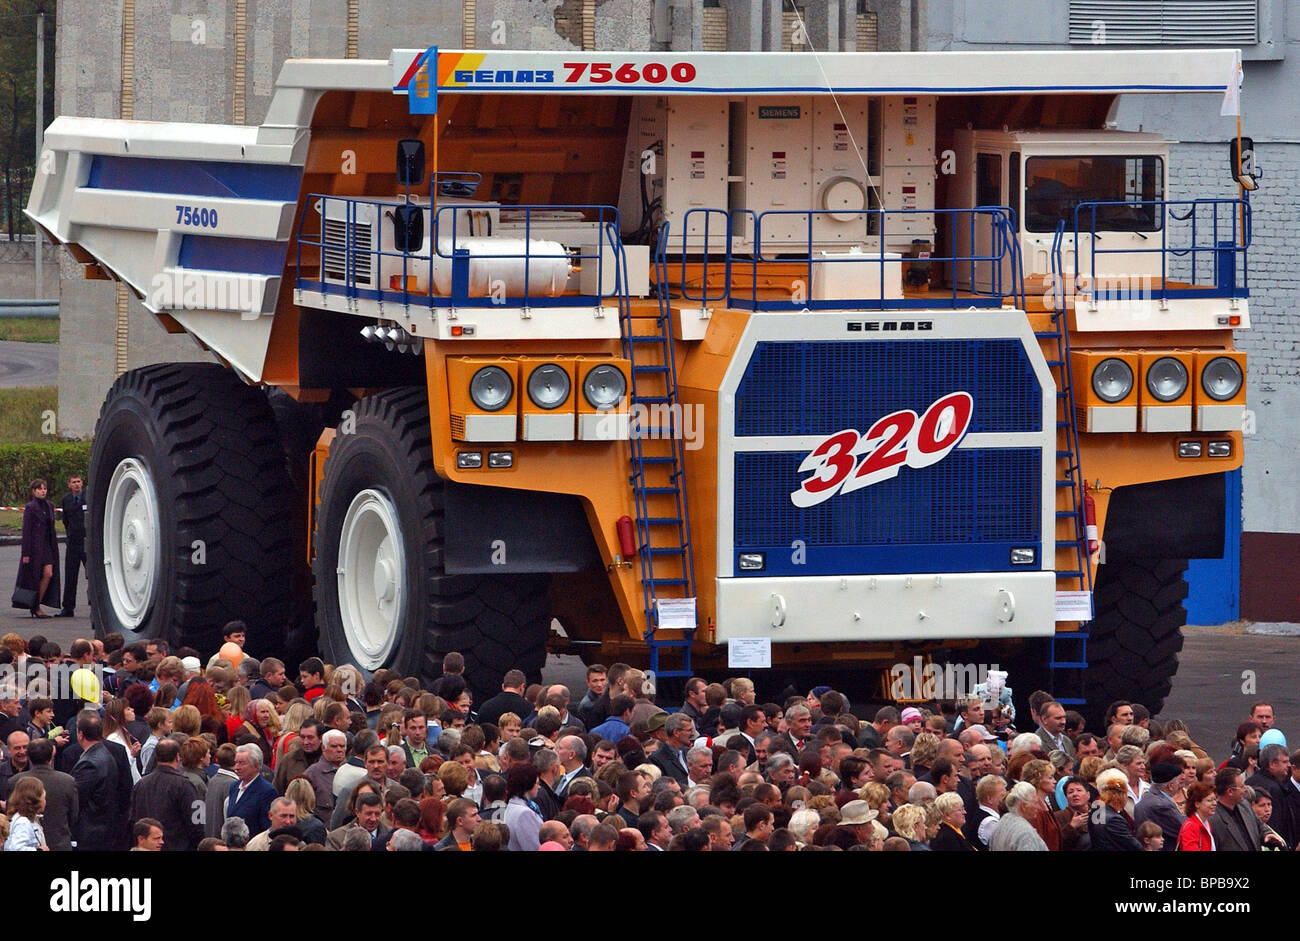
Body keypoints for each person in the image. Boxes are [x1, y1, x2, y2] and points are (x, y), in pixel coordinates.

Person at [129, 738, 204, 852]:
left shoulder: (141, 784)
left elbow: (132, 819)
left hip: (146, 847)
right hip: (178, 846)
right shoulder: (185, 785)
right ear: (178, 757)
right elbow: (198, 822)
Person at [72, 712, 129, 851]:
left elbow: (76, 799)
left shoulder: (88, 763)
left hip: (93, 832)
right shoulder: (104, 753)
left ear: (80, 734)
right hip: (105, 828)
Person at [10, 737, 76, 851]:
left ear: (29, 756)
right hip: (58, 844)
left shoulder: (15, 781)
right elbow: (73, 816)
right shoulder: (67, 781)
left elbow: (10, 814)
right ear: (52, 755)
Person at [16, 479, 61, 617]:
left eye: (44, 489)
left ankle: (37, 603)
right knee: (34, 577)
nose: (43, 491)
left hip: (48, 546)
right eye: (40, 489)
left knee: (48, 574)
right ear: (34, 491)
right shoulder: (31, 507)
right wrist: (26, 553)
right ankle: (35, 607)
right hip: (35, 548)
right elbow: (27, 531)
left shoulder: (49, 505)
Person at [225, 744, 277, 837]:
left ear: (256, 765)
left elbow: (266, 828)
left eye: (242, 763)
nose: (237, 767)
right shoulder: (234, 786)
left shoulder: (267, 791)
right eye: (236, 762)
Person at [58, 474, 86, 617]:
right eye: (74, 482)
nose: (77, 484)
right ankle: (68, 607)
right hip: (73, 542)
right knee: (70, 576)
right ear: (69, 484)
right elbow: (65, 521)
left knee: (92, 576)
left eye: (79, 482)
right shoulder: (66, 500)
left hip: (87, 541)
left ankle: (95, 605)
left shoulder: (88, 496)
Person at [3, 777, 48, 850]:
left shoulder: (25, 820)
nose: (45, 801)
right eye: (43, 798)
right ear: (35, 800)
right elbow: (16, 848)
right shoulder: (23, 822)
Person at [1178, 781, 1216, 851]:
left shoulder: (1206, 824)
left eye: (1214, 799)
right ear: (1197, 804)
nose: (1215, 803)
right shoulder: (1191, 827)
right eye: (1209, 800)